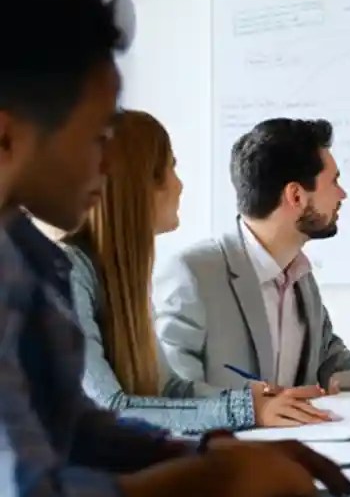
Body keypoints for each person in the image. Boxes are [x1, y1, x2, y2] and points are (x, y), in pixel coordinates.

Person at [0, 0, 350, 497]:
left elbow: (76, 425)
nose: (114, 168)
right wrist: (204, 483)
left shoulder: (29, 261)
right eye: (98, 137)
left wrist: (196, 449)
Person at [63, 109, 333, 433]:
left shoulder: (121, 278)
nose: (180, 185)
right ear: (138, 183)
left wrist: (262, 398)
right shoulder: (65, 274)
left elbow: (169, 391)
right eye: (171, 169)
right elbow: (109, 409)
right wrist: (246, 411)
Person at [153, 117, 350, 394]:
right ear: (296, 196)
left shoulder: (299, 274)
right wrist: (253, 409)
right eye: (334, 181)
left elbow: (326, 366)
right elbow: (176, 394)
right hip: (228, 439)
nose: (342, 194)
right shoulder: (193, 273)